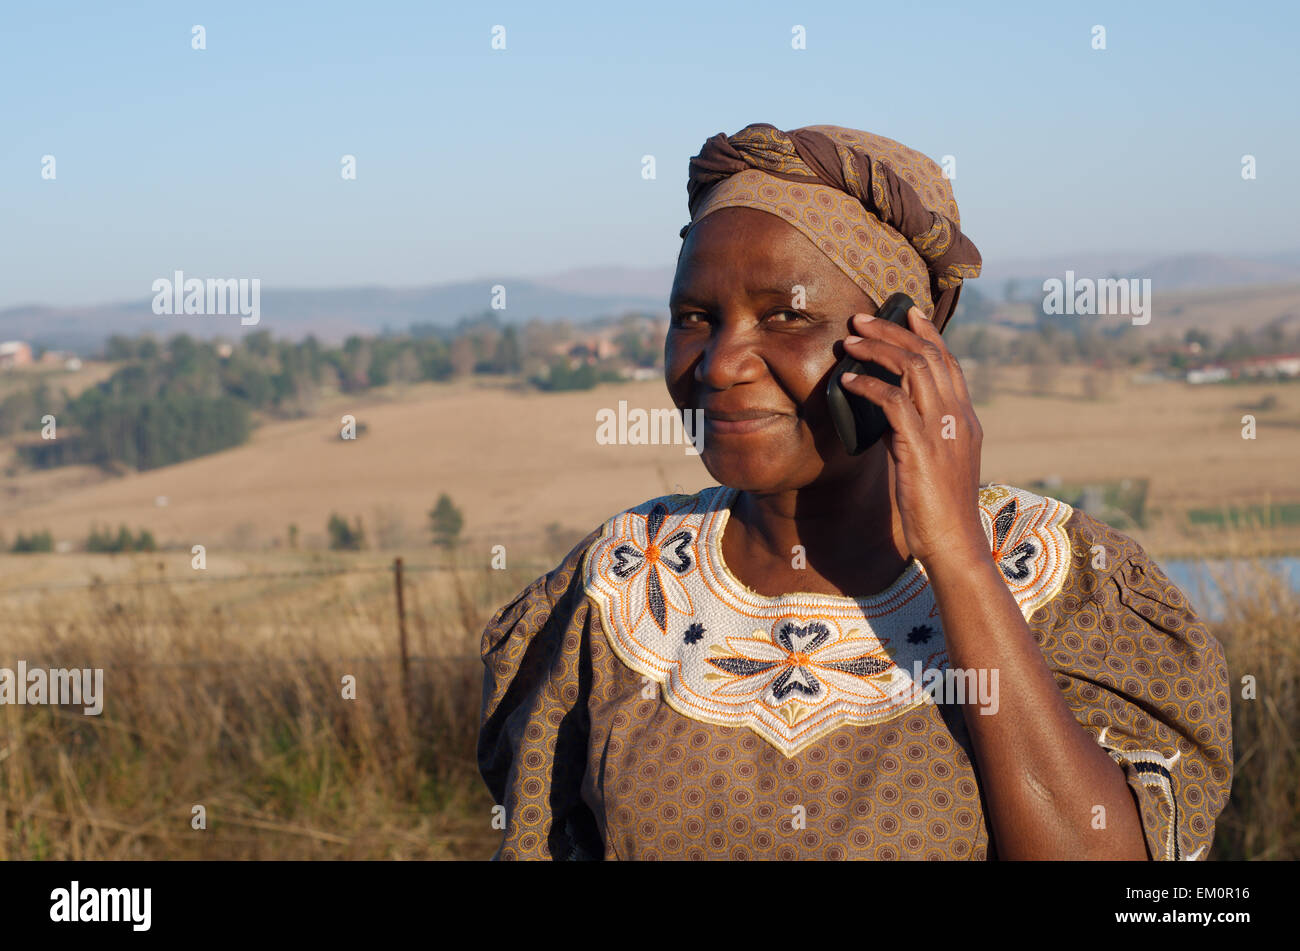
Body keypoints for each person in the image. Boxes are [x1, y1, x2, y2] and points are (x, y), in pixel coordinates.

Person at [477, 123, 1232, 860]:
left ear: (907, 340)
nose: (720, 363)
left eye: (786, 316)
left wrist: (962, 561)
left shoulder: (1056, 575)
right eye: (695, 317)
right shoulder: (622, 584)